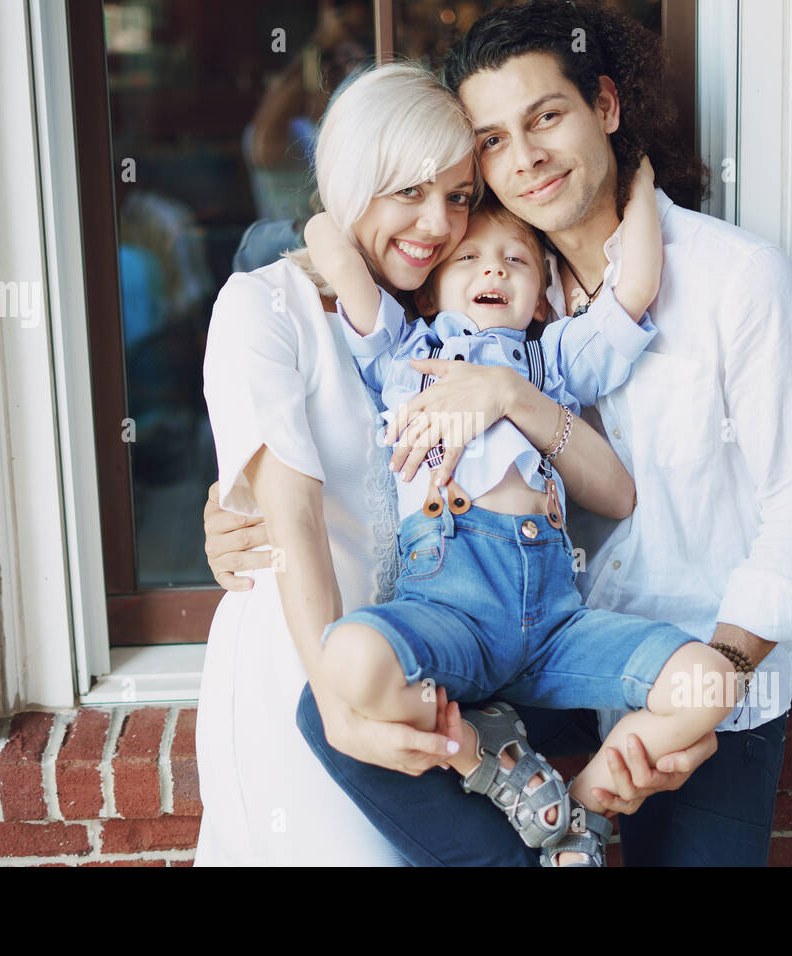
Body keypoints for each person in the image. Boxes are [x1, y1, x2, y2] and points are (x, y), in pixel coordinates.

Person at [203, 0, 792, 866]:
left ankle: (558, 806)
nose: (525, 156)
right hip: (519, 654)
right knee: (339, 701)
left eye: (547, 117)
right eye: (492, 140)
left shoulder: (741, 286)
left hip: (685, 666)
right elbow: (316, 283)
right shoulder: (481, 301)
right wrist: (240, 505)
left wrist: (719, 676)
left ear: (606, 109)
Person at [193, 58, 685, 866]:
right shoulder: (266, 306)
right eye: (408, 192)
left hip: (431, 664)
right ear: (355, 181)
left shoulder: (450, 328)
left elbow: (580, 473)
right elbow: (294, 520)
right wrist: (334, 699)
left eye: (458, 196)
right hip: (307, 665)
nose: (437, 224)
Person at [304, 172, 741, 865]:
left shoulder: (551, 362)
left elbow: (633, 292)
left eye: (516, 260)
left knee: (714, 681)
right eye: (469, 259)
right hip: (447, 611)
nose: (493, 269)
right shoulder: (403, 353)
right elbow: (328, 241)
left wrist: (640, 189)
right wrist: (367, 209)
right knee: (349, 662)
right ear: (428, 287)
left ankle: (585, 805)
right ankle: (490, 755)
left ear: (541, 297)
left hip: (557, 624)